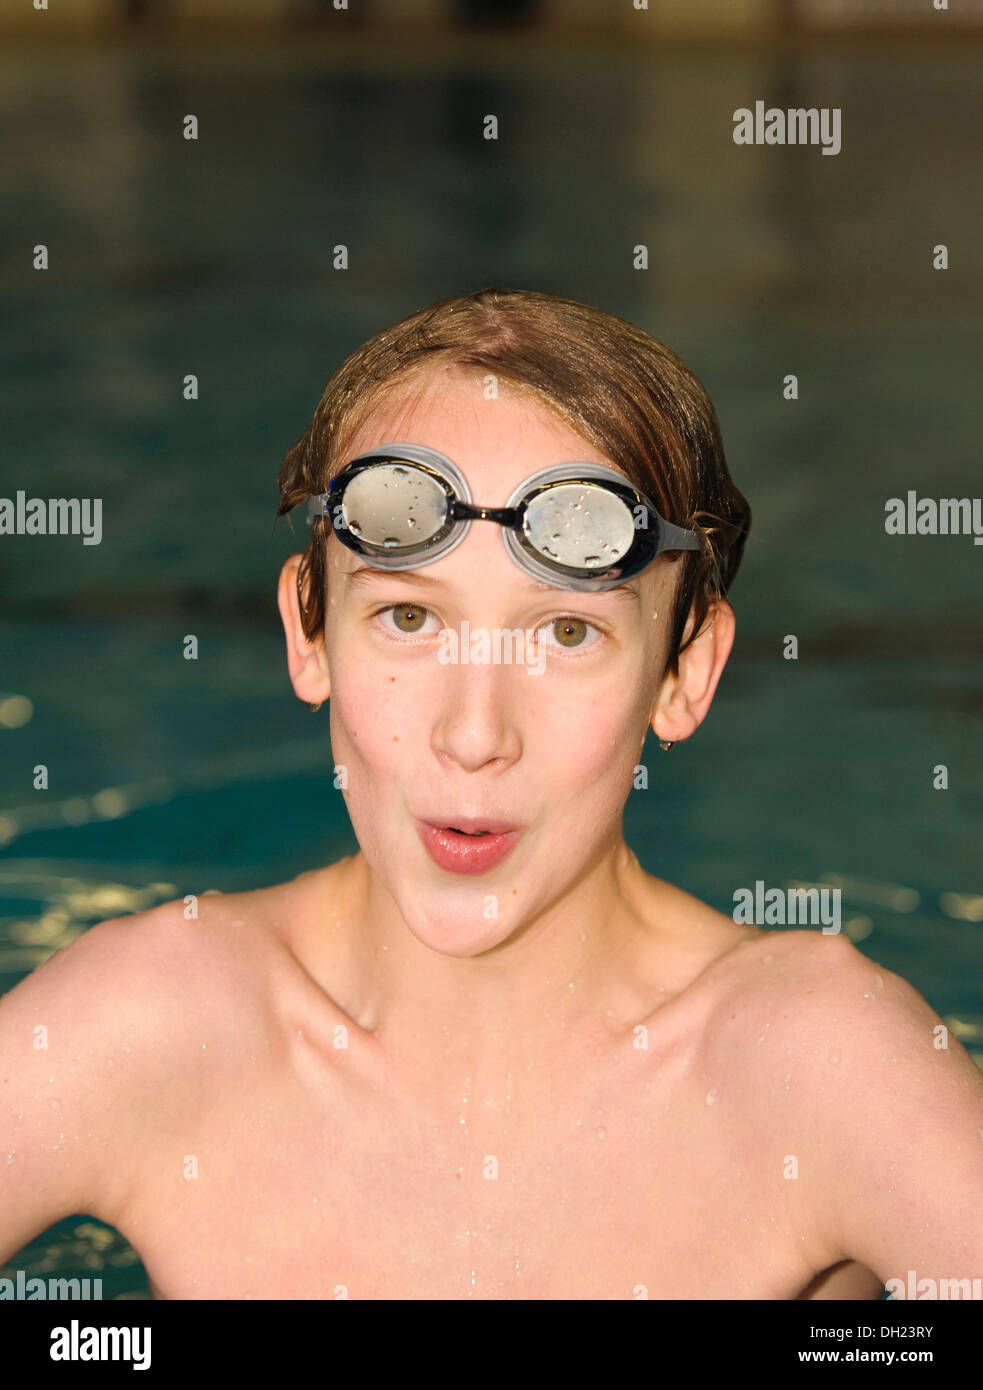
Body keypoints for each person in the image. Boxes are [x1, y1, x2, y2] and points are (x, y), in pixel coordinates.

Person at [2, 287, 981, 1300]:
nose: (472, 736)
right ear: (308, 633)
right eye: (407, 619)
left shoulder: (817, 1075)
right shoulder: (157, 1023)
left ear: (684, 672)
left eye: (567, 633)